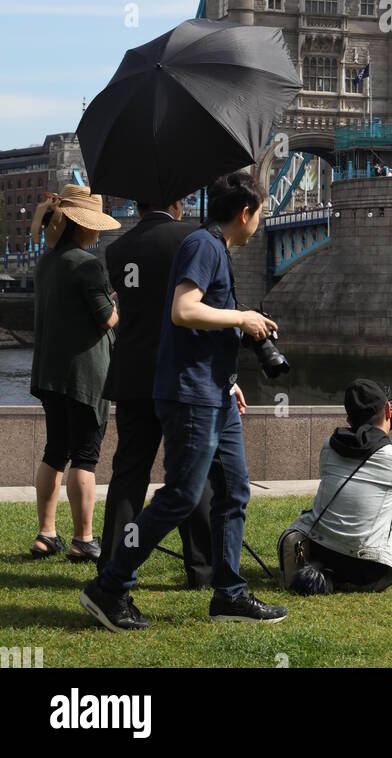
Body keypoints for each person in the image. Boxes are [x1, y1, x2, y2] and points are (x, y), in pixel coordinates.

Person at [80, 171, 287, 632]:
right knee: (180, 497)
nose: (261, 222)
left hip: (214, 388)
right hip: (190, 394)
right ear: (245, 213)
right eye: (261, 213)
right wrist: (243, 317)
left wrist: (232, 363)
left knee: (234, 492)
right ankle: (109, 586)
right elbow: (183, 309)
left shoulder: (214, 247)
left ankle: (229, 594)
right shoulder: (202, 245)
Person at [98, 198, 213, 589]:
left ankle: (114, 560)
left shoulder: (117, 249)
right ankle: (202, 567)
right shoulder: (195, 239)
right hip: (181, 376)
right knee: (189, 473)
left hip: (132, 376)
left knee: (129, 473)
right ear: (178, 204)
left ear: (139, 205)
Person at [29, 187, 120, 561]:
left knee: (55, 451)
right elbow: (107, 319)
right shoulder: (88, 264)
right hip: (84, 375)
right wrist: (119, 302)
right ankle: (84, 539)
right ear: (82, 226)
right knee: (85, 456)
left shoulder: (47, 262)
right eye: (94, 225)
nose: (98, 232)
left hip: (50, 373)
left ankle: (45, 534)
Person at [281, 378, 392, 594]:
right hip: (370, 571)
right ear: (387, 410)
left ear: (348, 418)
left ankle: (323, 575)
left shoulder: (329, 446)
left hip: (324, 553)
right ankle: (381, 576)